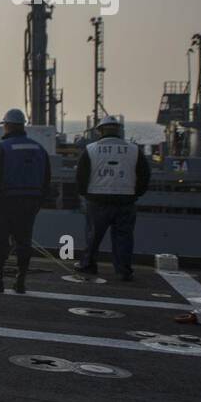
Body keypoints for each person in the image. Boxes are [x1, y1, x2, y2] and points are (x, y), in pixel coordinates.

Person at [0, 108, 51, 294]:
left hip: (8, 200)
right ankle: (20, 281)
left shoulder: (3, 148)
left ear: (6, 125)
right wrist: (40, 201)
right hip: (31, 201)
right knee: (24, 240)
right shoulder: (39, 148)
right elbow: (46, 178)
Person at [75, 115, 150, 281]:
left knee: (93, 236)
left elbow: (81, 176)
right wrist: (135, 194)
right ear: (119, 130)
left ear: (100, 131)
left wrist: (86, 194)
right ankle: (123, 270)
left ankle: (88, 265)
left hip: (97, 200)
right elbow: (144, 175)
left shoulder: (91, 149)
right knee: (123, 237)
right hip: (126, 201)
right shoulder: (134, 149)